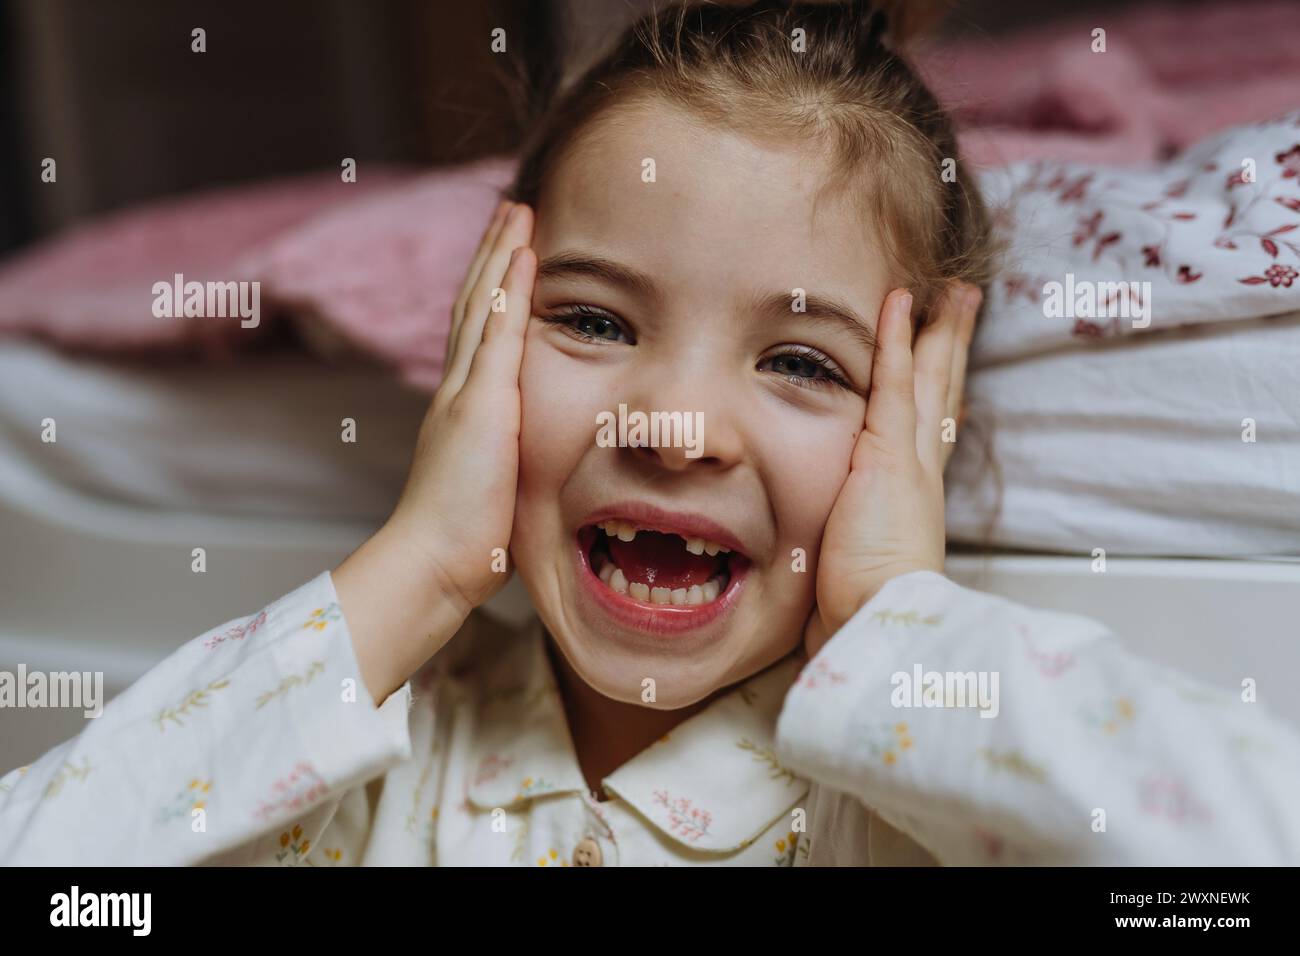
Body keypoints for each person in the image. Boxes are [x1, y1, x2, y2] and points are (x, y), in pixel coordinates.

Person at [3, 0, 1297, 866]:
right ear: (481, 339)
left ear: (912, 426)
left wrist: (904, 624)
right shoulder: (364, 763)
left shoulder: (905, 790)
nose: (676, 426)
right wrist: (413, 573)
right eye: (595, 324)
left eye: (799, 360)